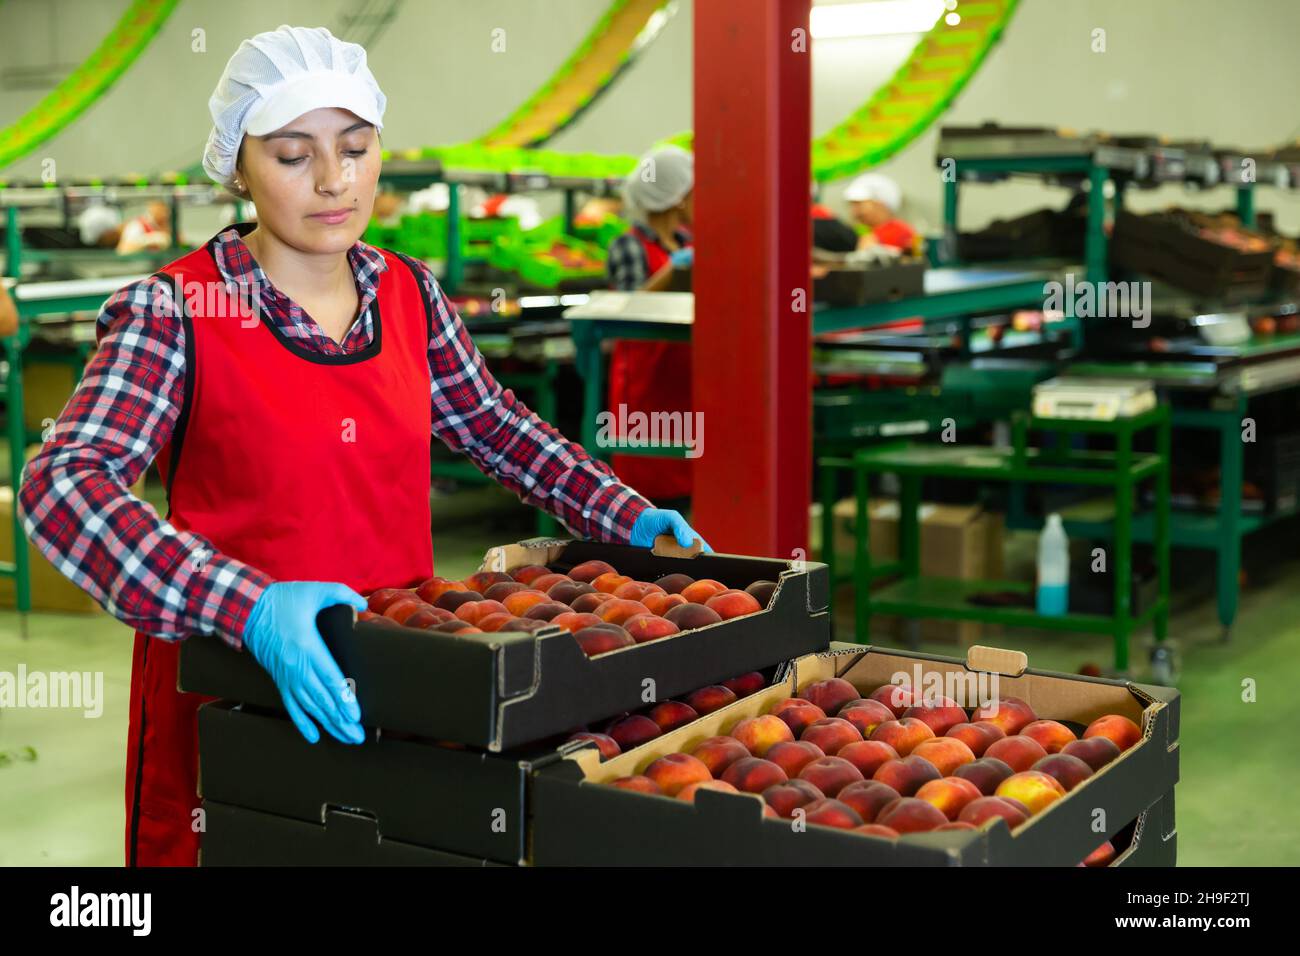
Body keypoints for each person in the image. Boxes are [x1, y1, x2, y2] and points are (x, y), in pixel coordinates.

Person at [18, 24, 707, 868]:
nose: (334, 181)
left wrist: (623, 511)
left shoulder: (409, 292)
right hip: (233, 687)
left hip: (401, 674)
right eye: (291, 153)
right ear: (237, 164)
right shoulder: (176, 311)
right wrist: (248, 608)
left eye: (355, 146)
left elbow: (493, 426)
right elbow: (63, 483)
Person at [603, 146, 694, 503]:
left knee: (687, 471)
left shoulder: (686, 242)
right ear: (677, 198)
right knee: (648, 482)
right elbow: (627, 308)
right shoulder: (629, 245)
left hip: (681, 378)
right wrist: (675, 270)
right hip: (645, 384)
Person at [843, 172, 917, 253]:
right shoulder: (865, 231)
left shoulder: (897, 231)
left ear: (880, 204)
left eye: (859, 204)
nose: (854, 212)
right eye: (852, 205)